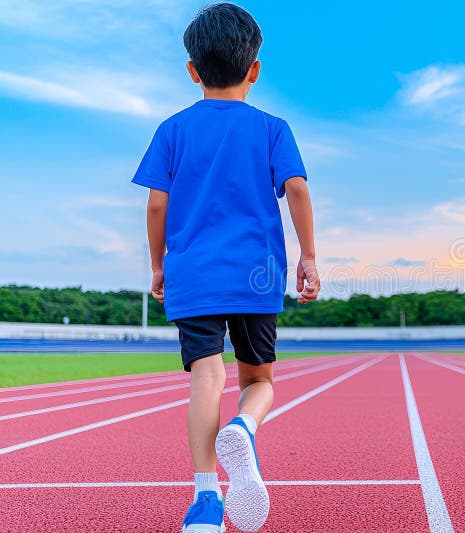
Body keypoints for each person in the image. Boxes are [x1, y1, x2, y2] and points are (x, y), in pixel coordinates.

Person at [132, 3, 320, 531]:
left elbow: (156, 205)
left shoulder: (172, 130)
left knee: (206, 375)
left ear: (192, 70)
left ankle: (206, 501)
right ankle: (244, 426)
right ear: (254, 69)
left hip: (193, 274)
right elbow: (297, 189)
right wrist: (307, 256)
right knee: (257, 378)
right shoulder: (273, 128)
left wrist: (158, 266)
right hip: (256, 275)